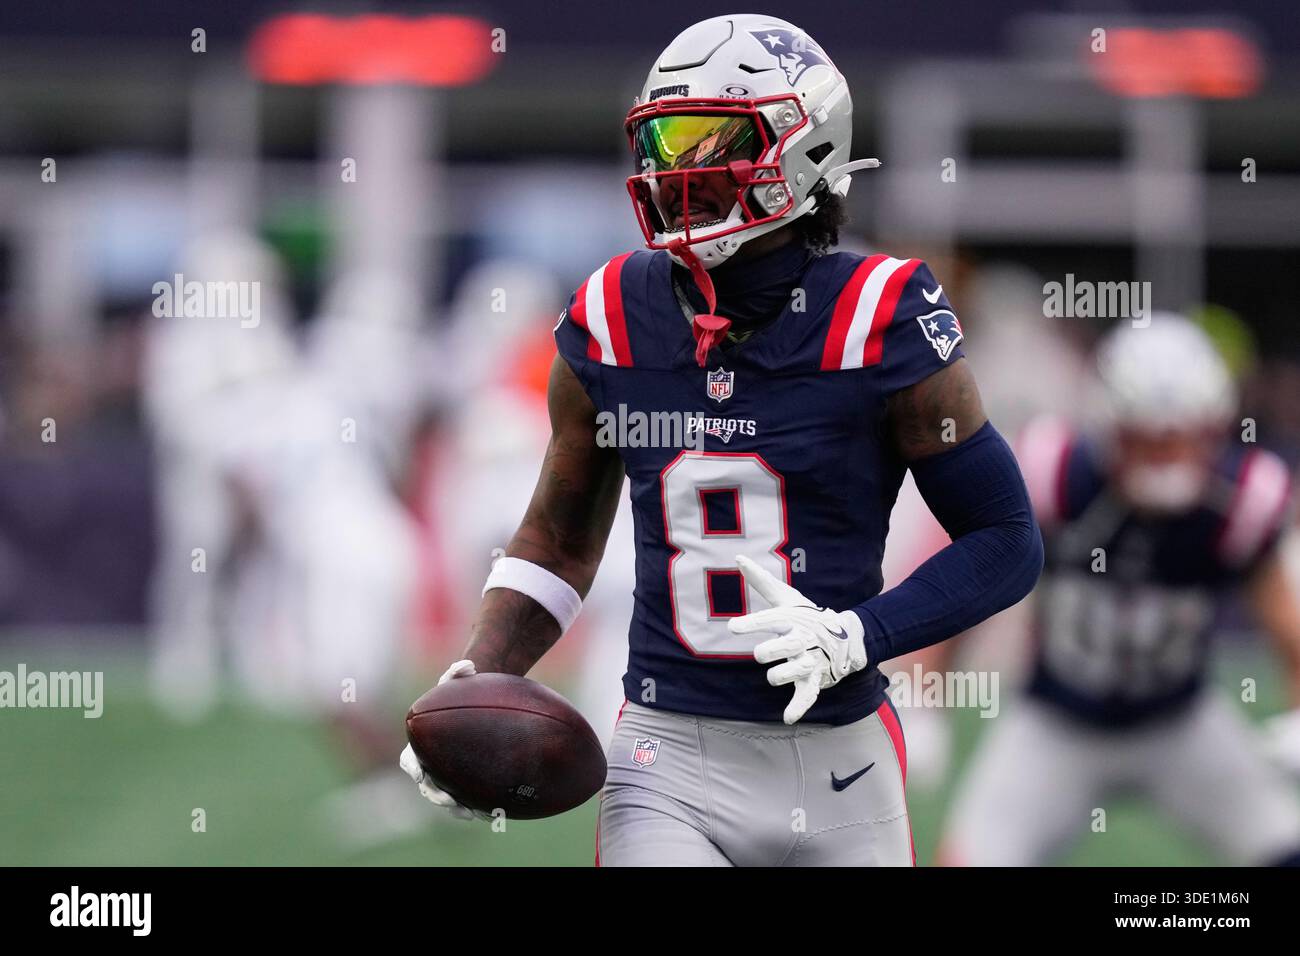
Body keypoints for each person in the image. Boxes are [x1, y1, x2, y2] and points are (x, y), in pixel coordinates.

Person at [401, 13, 1042, 866]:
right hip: (667, 755)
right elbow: (557, 543)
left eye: (709, 139)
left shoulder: (878, 316)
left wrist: (860, 634)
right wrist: (477, 672)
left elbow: (1006, 539)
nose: (677, 170)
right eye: (663, 140)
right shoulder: (612, 315)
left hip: (839, 757)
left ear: (802, 148)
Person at [942, 314, 1300, 866]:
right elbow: (966, 580)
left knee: (1284, 847)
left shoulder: (1241, 502)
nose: (1167, 454)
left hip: (1182, 723)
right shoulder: (1054, 474)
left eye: (1184, 435)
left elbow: (1286, 628)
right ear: (1109, 423)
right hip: (1056, 724)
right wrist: (923, 695)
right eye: (1147, 436)